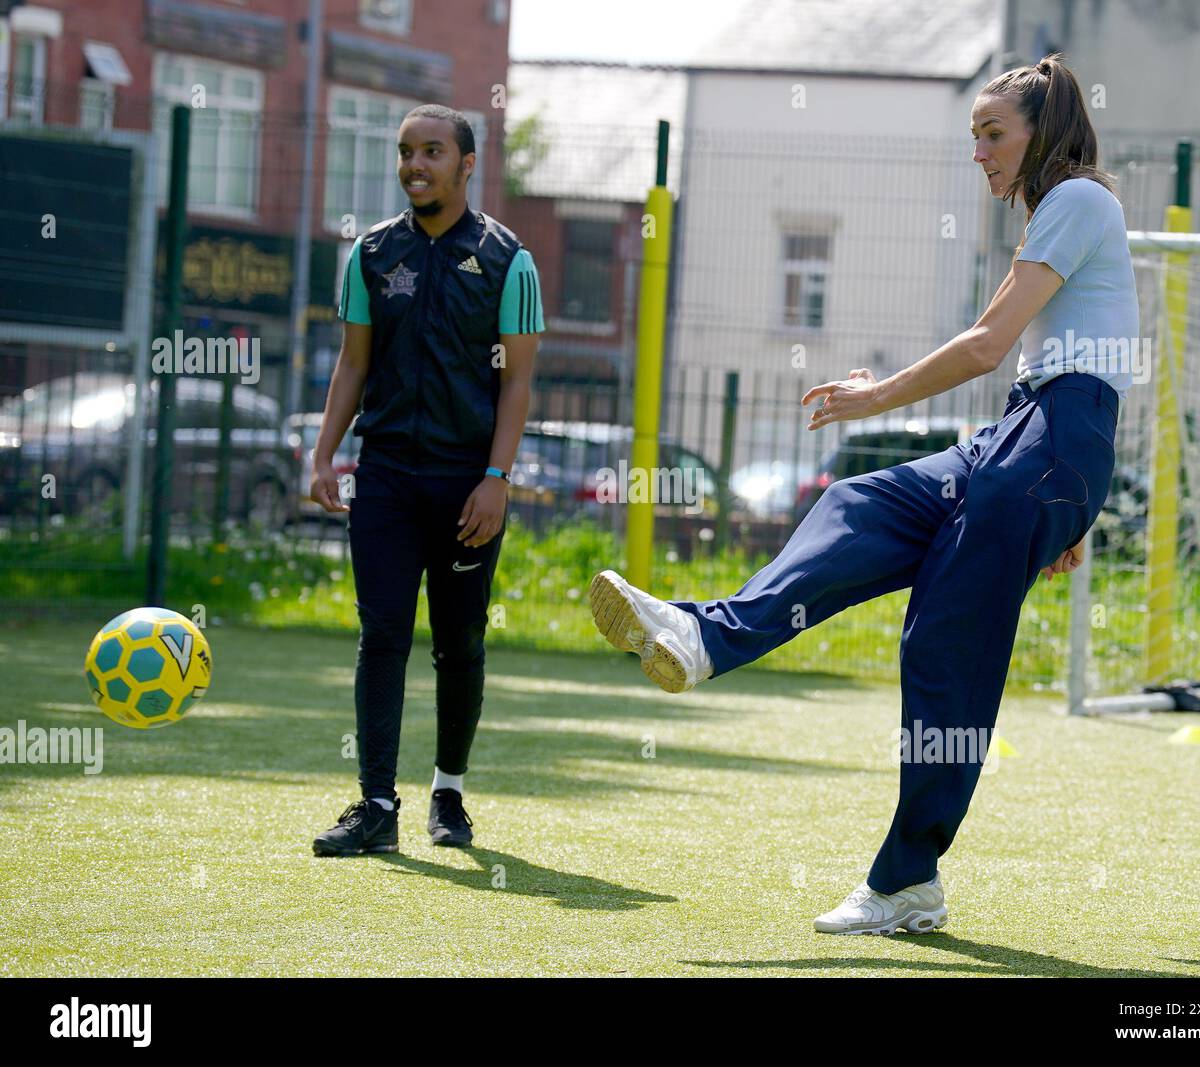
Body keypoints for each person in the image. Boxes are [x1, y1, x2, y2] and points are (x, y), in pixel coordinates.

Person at [589, 55, 1136, 934]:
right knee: (859, 504)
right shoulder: (1059, 211)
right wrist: (1063, 501)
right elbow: (1070, 356)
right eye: (974, 137)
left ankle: (907, 879)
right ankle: (702, 637)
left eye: (992, 134)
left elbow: (991, 343)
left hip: (1053, 439)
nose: (979, 153)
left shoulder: (1077, 198)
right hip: (1034, 438)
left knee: (943, 642)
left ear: (1044, 132)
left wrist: (876, 397)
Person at [311, 104, 544, 856]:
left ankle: (450, 792)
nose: (415, 164)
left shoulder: (510, 260)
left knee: (459, 641)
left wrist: (497, 477)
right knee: (381, 634)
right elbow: (353, 364)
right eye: (406, 152)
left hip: (467, 485)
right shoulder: (371, 254)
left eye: (432, 151)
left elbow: (516, 383)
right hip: (384, 478)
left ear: (466, 164)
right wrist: (322, 456)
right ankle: (376, 804)